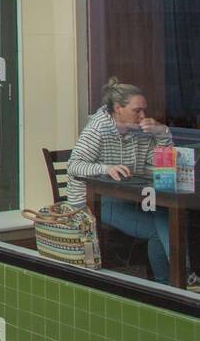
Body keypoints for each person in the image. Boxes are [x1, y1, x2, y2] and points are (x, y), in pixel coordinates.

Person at [68, 77, 194, 287]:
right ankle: (175, 281)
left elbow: (159, 161)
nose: (143, 115)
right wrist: (105, 168)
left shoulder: (138, 130)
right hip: (92, 201)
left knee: (165, 215)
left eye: (144, 110)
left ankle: (173, 282)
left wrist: (162, 133)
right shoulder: (98, 129)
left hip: (126, 196)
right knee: (159, 227)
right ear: (118, 108)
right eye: (137, 110)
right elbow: (74, 165)